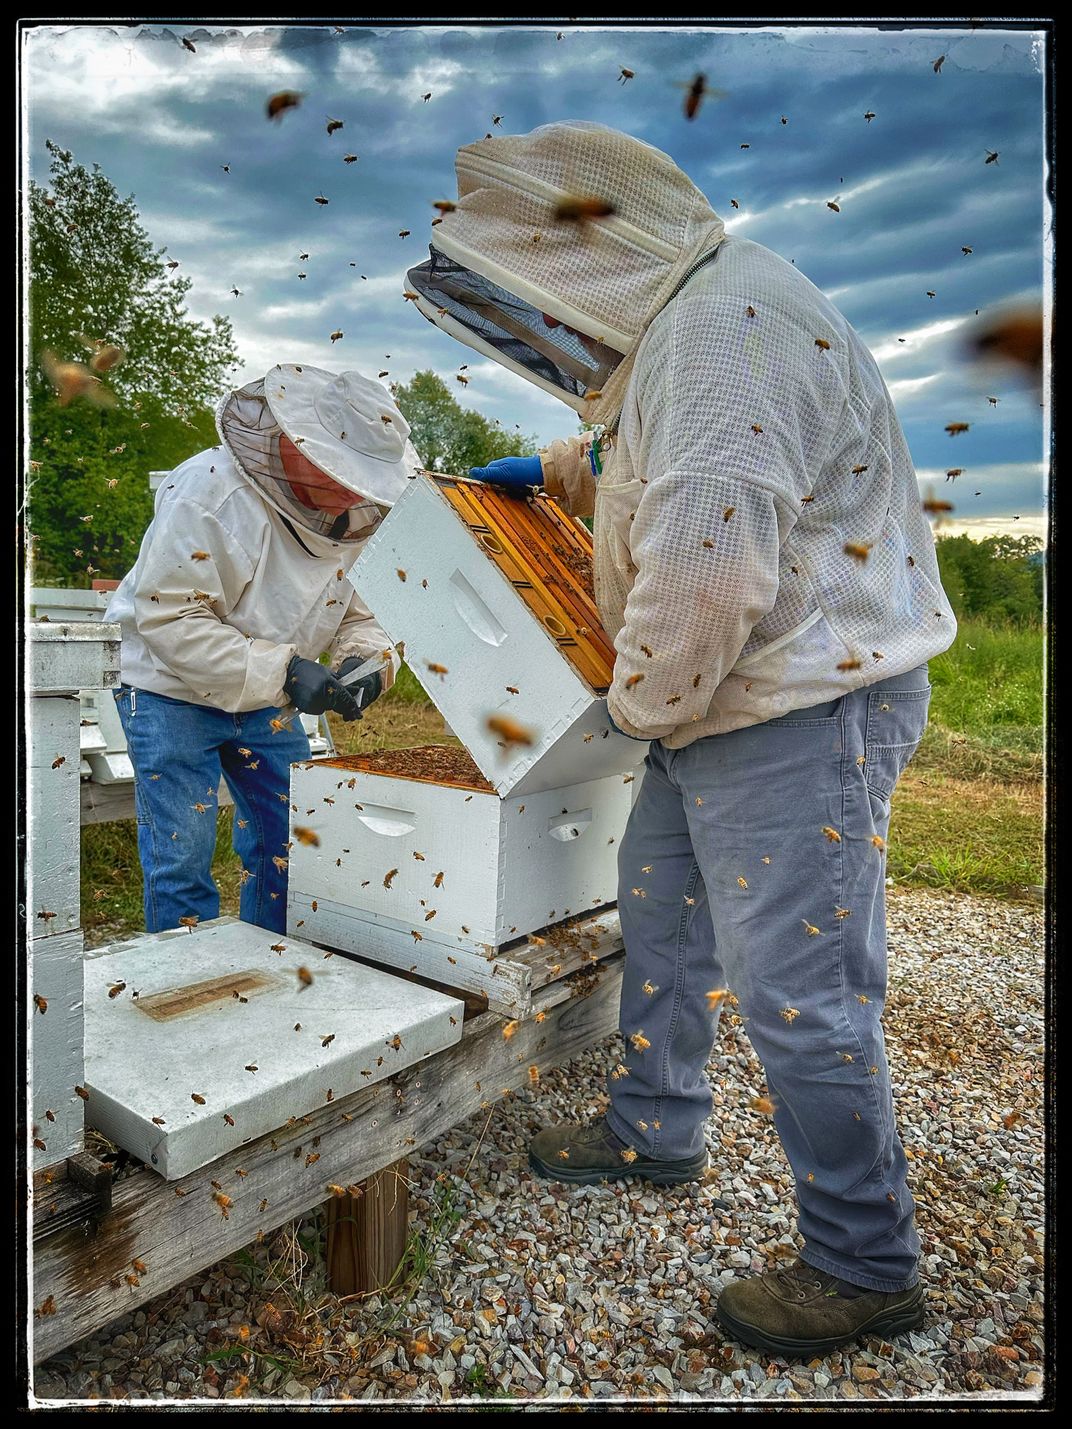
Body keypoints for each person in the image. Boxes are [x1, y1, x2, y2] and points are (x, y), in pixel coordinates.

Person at [406, 121, 957, 1356]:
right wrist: (552, 467)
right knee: (658, 913)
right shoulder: (697, 316)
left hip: (797, 709)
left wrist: (628, 708)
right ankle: (656, 1127)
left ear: (584, 253)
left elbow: (709, 567)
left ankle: (865, 1262)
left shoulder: (719, 330)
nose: (539, 323)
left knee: (801, 993)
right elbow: (652, 455)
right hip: (725, 706)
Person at [106, 365, 421, 937]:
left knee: (290, 844)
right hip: (169, 692)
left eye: (361, 478)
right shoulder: (210, 491)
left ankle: (273, 976)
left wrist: (368, 664)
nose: (350, 490)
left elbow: (362, 613)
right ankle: (186, 993)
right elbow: (170, 614)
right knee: (182, 858)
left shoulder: (352, 516)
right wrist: (287, 670)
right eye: (339, 471)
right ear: (294, 443)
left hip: (269, 702)